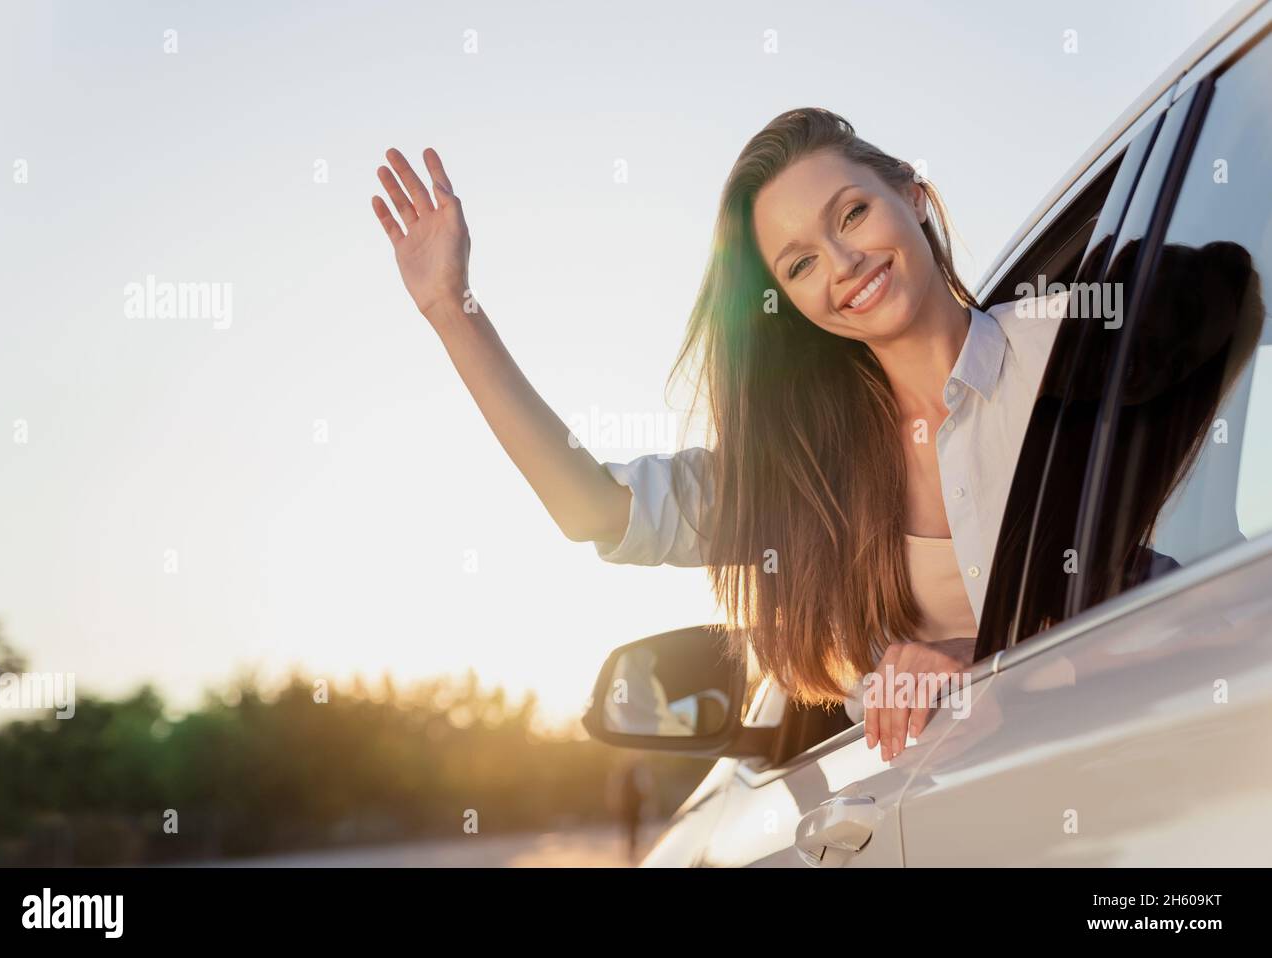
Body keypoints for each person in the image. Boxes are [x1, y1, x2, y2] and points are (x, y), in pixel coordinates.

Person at [369, 108, 1064, 763]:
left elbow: (1168, 581)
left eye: (852, 213)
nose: (843, 264)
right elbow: (590, 509)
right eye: (800, 265)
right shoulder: (799, 479)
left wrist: (986, 658)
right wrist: (450, 311)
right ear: (788, 303)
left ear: (912, 196)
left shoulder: (1069, 349)